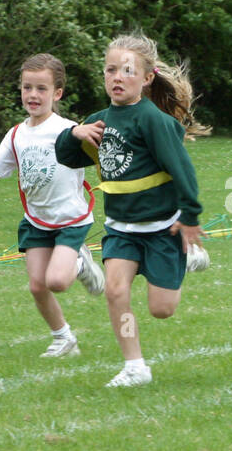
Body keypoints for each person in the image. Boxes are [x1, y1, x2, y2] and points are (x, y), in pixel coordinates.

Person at [54, 33, 205, 387]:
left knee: (161, 309)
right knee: (115, 291)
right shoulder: (99, 120)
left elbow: (183, 170)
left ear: (147, 78)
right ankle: (135, 366)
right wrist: (74, 133)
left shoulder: (154, 121)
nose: (117, 77)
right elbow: (66, 156)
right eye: (110, 70)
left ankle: (189, 254)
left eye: (126, 70)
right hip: (121, 229)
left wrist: (190, 217)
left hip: (162, 230)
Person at [0, 54, 105, 358]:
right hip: (36, 221)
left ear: (57, 93)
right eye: (27, 88)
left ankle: (80, 261)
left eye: (41, 89)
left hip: (69, 220)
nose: (33, 95)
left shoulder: (68, 128)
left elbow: (88, 145)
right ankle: (64, 339)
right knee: (38, 286)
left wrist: (84, 135)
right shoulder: (16, 135)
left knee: (57, 282)